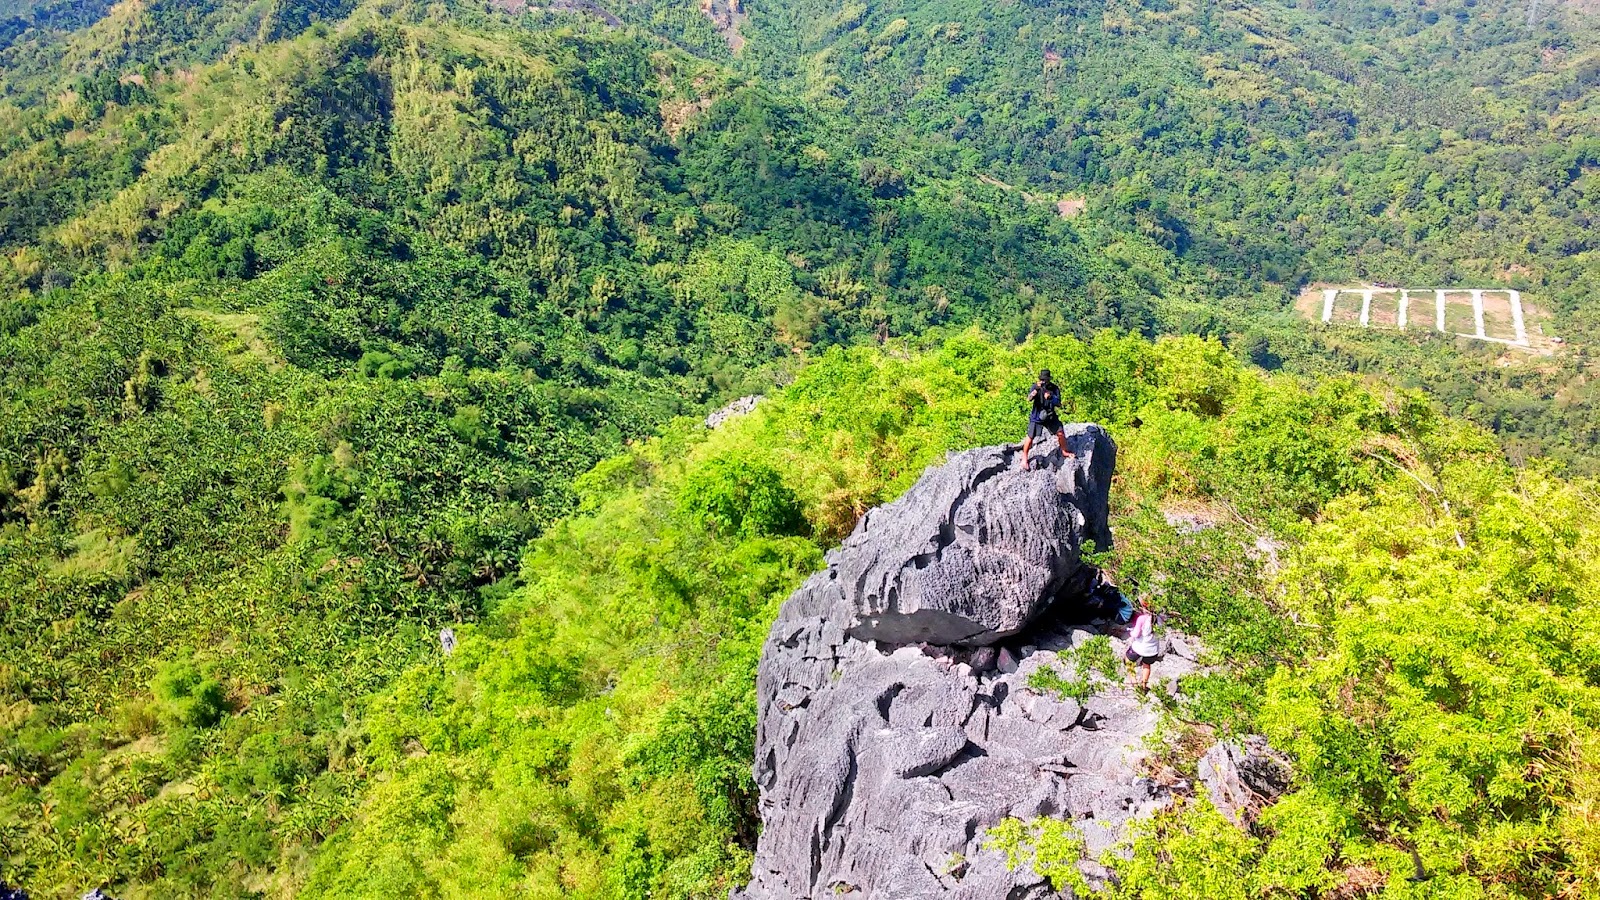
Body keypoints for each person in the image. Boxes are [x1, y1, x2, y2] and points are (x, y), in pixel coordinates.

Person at [1020, 369, 1073, 471]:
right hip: (1037, 416)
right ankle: (1024, 457)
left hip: (1050, 416)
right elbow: (1029, 398)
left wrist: (1051, 397)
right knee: (1030, 437)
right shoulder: (1035, 386)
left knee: (1060, 433)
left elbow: (1059, 403)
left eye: (1045, 380)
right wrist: (1034, 392)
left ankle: (1064, 451)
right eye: (1042, 379)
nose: (1044, 381)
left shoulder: (1054, 388)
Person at [1124, 597, 1161, 690]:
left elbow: (1136, 634)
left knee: (1128, 660)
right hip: (1153, 650)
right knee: (1146, 665)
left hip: (1140, 647)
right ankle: (1143, 685)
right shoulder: (1161, 618)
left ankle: (1133, 681)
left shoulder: (1142, 619)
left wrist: (1131, 632)